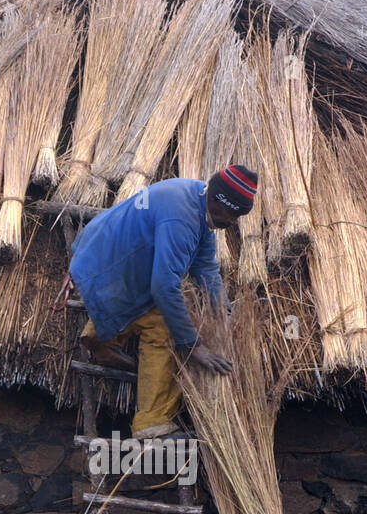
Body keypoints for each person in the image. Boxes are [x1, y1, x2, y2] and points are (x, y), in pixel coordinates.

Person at [66, 166, 258, 441]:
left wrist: (223, 311)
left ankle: (97, 338)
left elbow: (205, 266)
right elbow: (164, 286)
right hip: (110, 267)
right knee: (164, 329)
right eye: (230, 213)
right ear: (217, 199)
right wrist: (193, 346)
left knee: (150, 308)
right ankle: (151, 424)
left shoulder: (195, 199)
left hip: (112, 258)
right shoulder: (182, 218)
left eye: (237, 216)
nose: (231, 221)